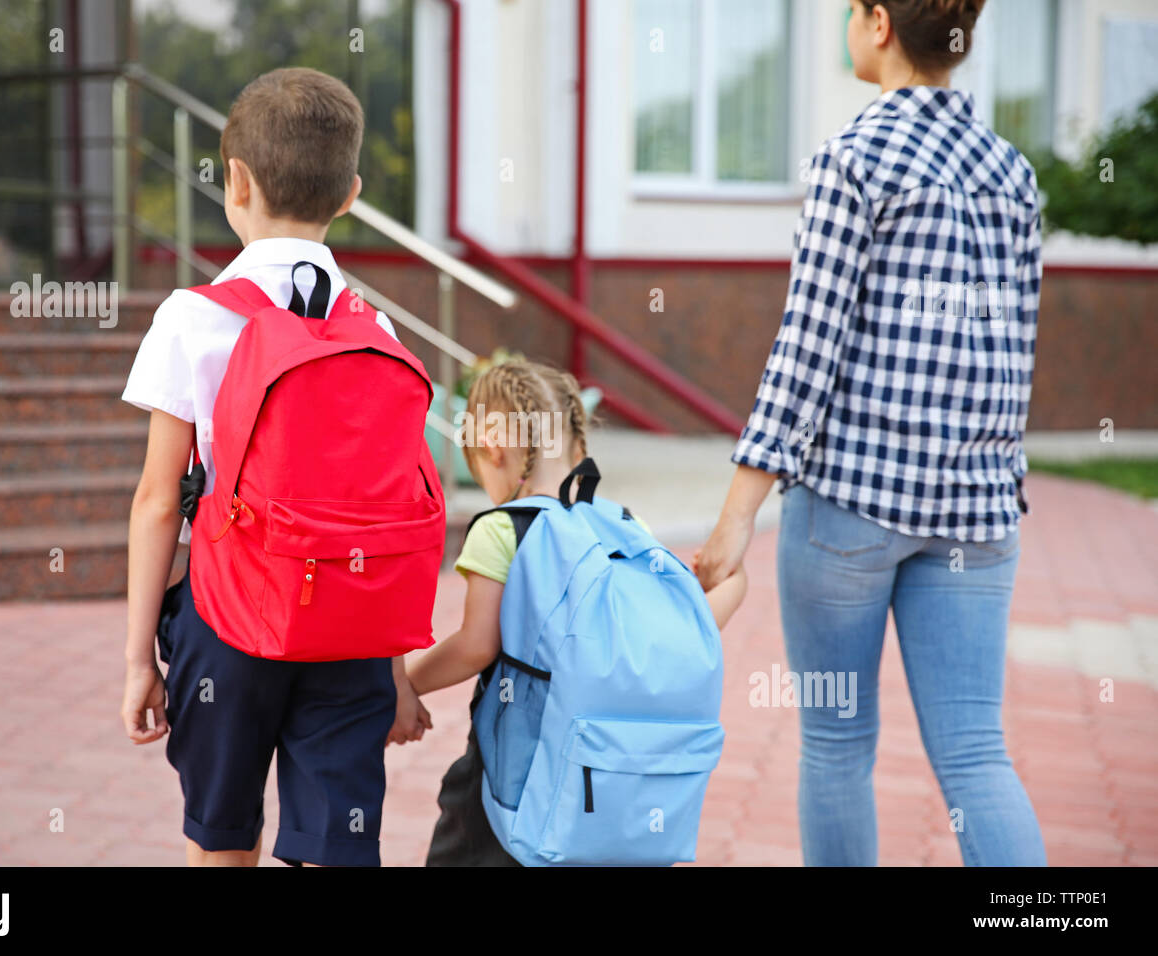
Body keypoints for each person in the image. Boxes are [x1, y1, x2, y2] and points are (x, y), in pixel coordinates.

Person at [697, 0, 1047, 866]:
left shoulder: (853, 158)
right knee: (975, 753)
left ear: (879, 22)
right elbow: (1018, 348)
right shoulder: (1014, 175)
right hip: (976, 516)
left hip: (850, 504)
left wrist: (739, 511)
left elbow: (807, 345)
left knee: (836, 747)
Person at [118, 67, 430, 867]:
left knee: (223, 841)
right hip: (352, 632)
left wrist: (137, 663)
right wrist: (390, 662)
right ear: (351, 192)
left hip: (230, 626)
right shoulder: (377, 327)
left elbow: (158, 501)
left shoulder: (191, 320)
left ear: (236, 180)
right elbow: (383, 503)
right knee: (335, 848)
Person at [404, 361, 747, 865]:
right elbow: (690, 627)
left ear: (493, 445)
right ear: (578, 443)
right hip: (609, 792)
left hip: (513, 790)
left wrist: (406, 683)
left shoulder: (503, 530)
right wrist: (734, 580)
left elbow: (476, 645)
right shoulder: (627, 529)